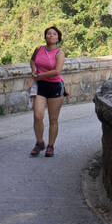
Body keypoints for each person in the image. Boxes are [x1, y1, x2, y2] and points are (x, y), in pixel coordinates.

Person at [29, 26, 67, 157]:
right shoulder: (39, 49)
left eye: (54, 34)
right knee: (38, 115)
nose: (51, 35)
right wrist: (34, 70)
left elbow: (57, 71)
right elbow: (32, 60)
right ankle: (39, 143)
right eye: (48, 34)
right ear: (45, 36)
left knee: (53, 119)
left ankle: (50, 146)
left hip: (55, 87)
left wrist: (40, 76)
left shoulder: (59, 53)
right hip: (41, 86)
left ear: (58, 38)